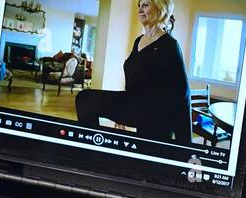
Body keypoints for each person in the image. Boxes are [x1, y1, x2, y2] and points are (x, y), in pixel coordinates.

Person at [75, 0, 191, 144]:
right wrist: (120, 115)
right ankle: (93, 147)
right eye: (139, 6)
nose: (140, 10)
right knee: (85, 99)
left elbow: (183, 93)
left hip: (156, 113)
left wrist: (186, 146)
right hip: (134, 104)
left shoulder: (170, 45)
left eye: (146, 5)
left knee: (146, 159)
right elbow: (133, 79)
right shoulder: (139, 41)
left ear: (160, 9)